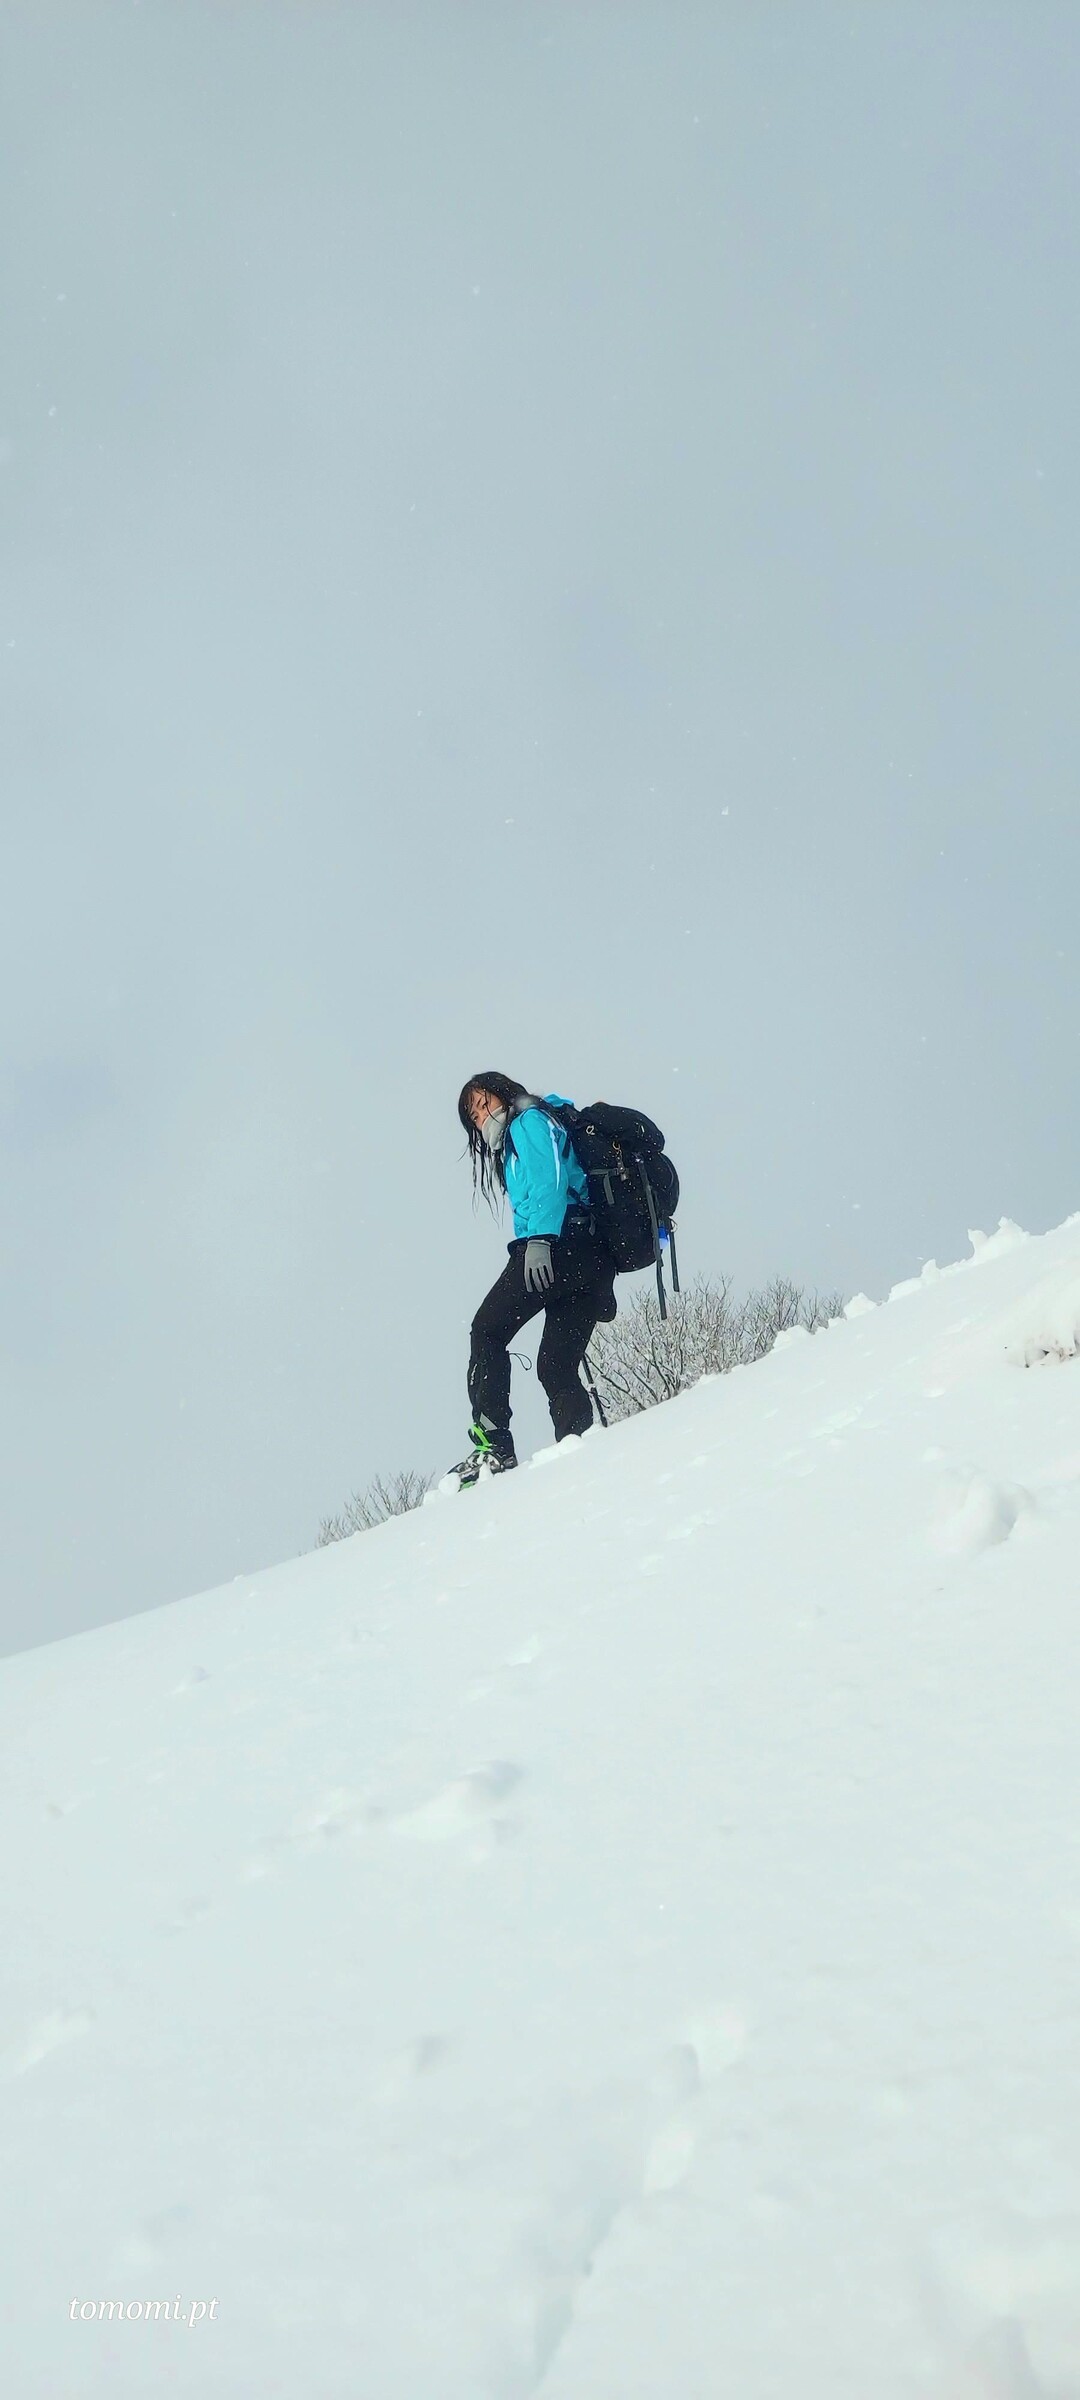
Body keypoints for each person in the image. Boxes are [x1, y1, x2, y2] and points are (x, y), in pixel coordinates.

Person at [450, 1074, 617, 1485]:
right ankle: (577, 1448)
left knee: (487, 1331)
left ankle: (494, 1447)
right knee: (556, 1365)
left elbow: (549, 1181)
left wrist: (539, 1240)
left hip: (557, 1246)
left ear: (503, 1093)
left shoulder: (528, 1122)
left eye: (482, 1102)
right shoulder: (538, 1125)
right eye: (473, 1114)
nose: (480, 1115)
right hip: (590, 1255)